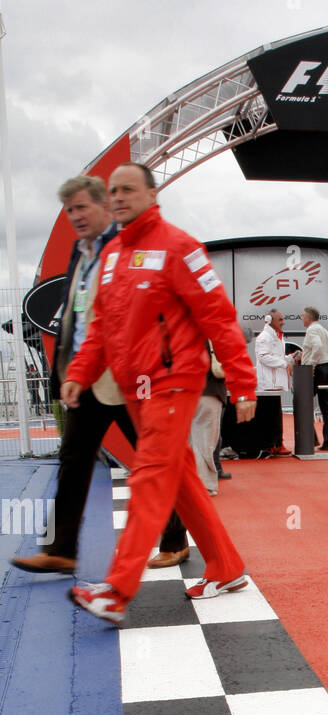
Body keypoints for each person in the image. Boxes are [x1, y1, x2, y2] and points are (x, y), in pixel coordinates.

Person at [62, 161, 257, 624]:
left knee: (149, 475)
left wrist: (243, 383)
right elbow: (100, 329)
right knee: (181, 480)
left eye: (130, 188)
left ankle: (116, 589)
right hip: (137, 388)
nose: (120, 196)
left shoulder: (179, 247)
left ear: (153, 195)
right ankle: (226, 567)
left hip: (176, 381)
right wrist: (80, 371)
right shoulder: (111, 258)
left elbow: (219, 318)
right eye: (114, 190)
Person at [11, 174, 135, 575]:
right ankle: (61, 549)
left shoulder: (124, 247)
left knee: (155, 462)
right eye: (69, 209)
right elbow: (76, 317)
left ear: (104, 206)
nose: (75, 215)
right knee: (74, 460)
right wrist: (66, 369)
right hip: (84, 375)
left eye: (82, 207)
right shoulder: (81, 255)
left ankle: (175, 536)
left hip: (124, 377)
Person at [148, 348, 229, 568]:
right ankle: (186, 547)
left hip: (200, 393)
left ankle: (217, 558)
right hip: (182, 394)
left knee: (194, 474)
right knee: (182, 472)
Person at [253, 310, 291, 456]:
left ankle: (275, 443)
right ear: (270, 320)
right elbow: (263, 357)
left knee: (275, 414)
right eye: (280, 319)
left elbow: (275, 357)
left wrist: (289, 359)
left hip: (275, 382)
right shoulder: (264, 337)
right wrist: (284, 363)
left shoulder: (277, 336)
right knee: (271, 415)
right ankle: (272, 444)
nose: (283, 322)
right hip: (269, 383)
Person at [297, 305, 328, 450]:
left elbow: (317, 346)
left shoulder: (312, 330)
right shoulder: (324, 330)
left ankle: (311, 439)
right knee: (326, 408)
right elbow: (324, 347)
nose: (301, 318)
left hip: (316, 370)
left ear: (308, 317)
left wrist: (311, 364)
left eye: (302, 315)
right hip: (327, 368)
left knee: (302, 404)